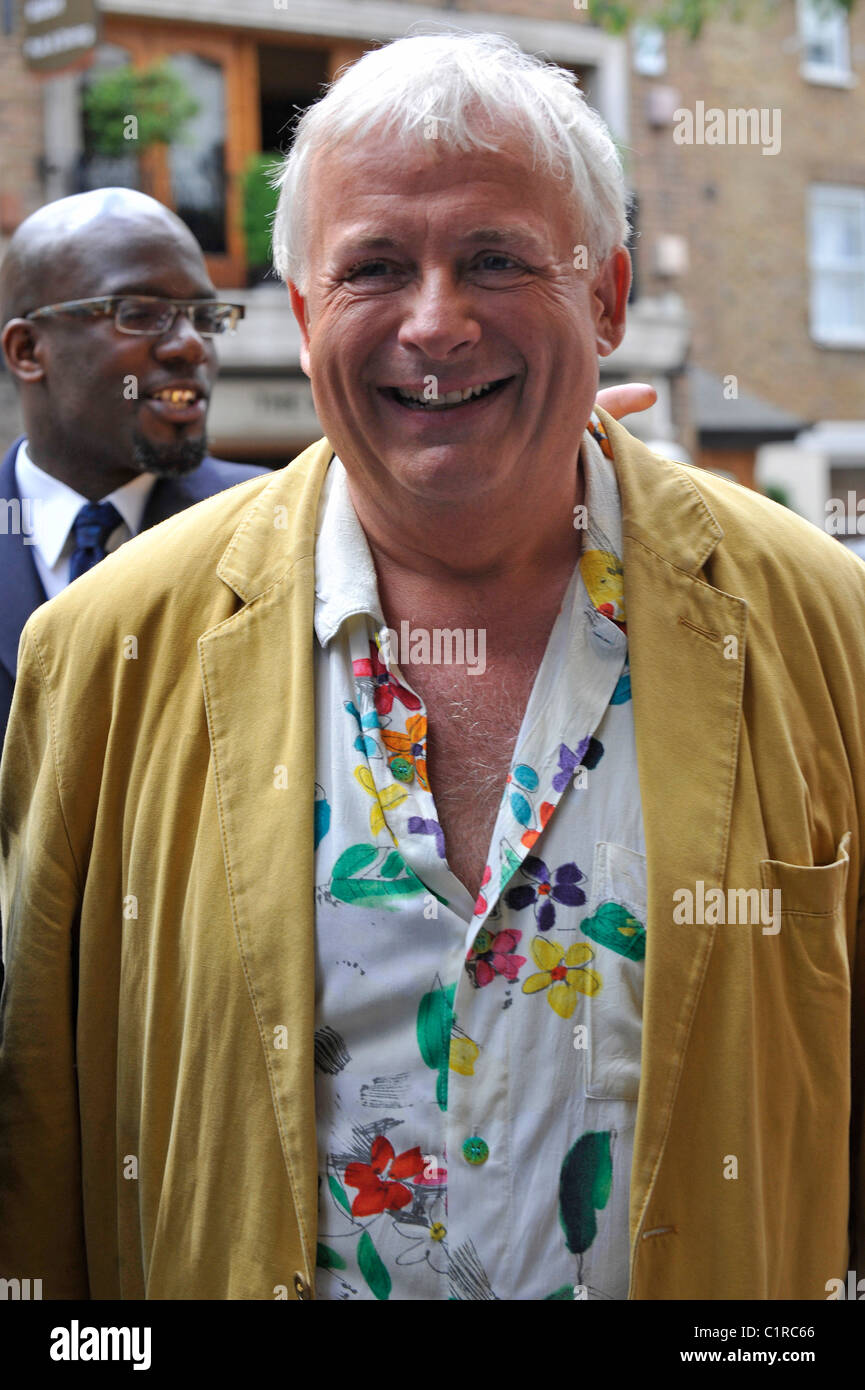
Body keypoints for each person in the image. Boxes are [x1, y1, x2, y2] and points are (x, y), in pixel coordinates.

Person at [1, 32, 863, 1303]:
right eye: (375, 268)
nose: (435, 321)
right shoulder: (105, 650)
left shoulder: (824, 629)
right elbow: (43, 1157)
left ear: (609, 297)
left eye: (498, 259)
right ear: (303, 319)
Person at [0, 188, 268, 746]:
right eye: (140, 314)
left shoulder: (273, 532)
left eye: (203, 316)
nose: (191, 347)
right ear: (28, 351)